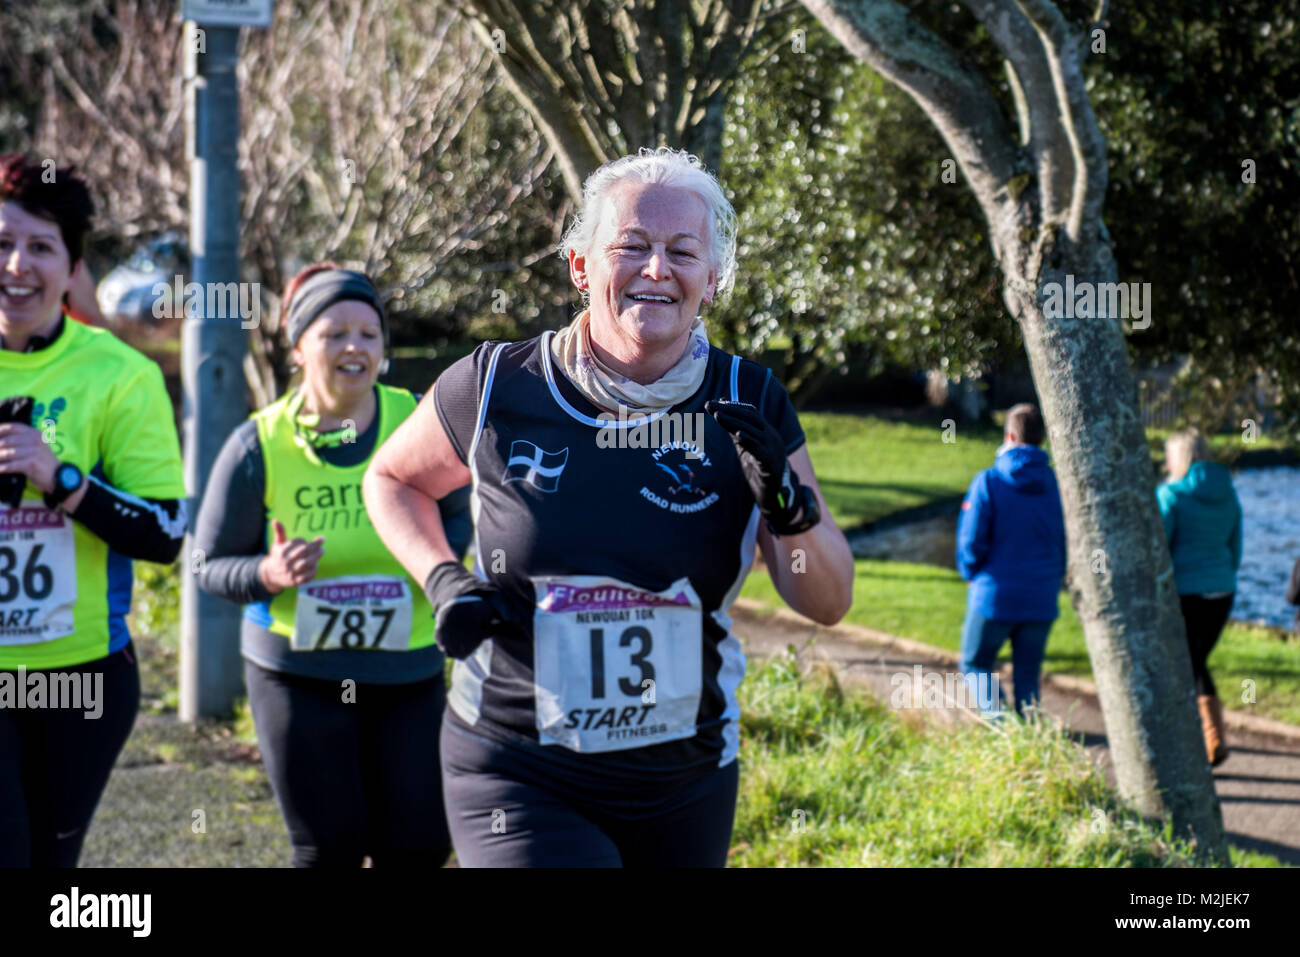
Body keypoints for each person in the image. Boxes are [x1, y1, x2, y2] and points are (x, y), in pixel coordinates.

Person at [363, 147, 854, 868]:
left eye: (682, 252)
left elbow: (829, 601)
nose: (657, 269)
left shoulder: (749, 401)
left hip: (684, 776)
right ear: (581, 266)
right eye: (631, 246)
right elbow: (392, 478)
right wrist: (443, 578)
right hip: (517, 761)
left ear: (711, 280)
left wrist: (789, 509)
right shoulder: (497, 384)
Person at [193, 263, 471, 867]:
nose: (355, 347)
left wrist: (436, 564)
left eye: (369, 334)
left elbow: (460, 517)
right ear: (298, 349)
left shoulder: (419, 421)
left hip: (407, 671)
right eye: (334, 333)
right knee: (329, 850)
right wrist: (267, 574)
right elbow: (207, 565)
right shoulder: (255, 445)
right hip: (297, 674)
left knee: (420, 846)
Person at [0, 155, 186, 867]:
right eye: (3, 243)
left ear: (72, 265)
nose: (17, 265)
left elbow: (165, 535)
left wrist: (62, 480)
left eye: (40, 247)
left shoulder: (120, 375)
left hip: (80, 679)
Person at [956, 403, 1066, 717]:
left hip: (995, 594)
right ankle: (1029, 739)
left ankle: (1001, 727)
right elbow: (1063, 540)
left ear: (1009, 435)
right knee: (1028, 677)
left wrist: (972, 574)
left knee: (976, 663)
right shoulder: (1056, 484)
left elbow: (971, 541)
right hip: (1041, 596)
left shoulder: (989, 481)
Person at [1157, 428, 1243, 766]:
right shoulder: (1229, 494)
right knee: (1194, 662)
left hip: (1185, 592)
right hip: (1222, 591)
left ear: (1177, 458)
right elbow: (1235, 547)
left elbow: (1159, 546)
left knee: (1185, 663)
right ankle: (1210, 737)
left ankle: (1202, 740)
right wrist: (1223, 574)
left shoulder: (1171, 495)